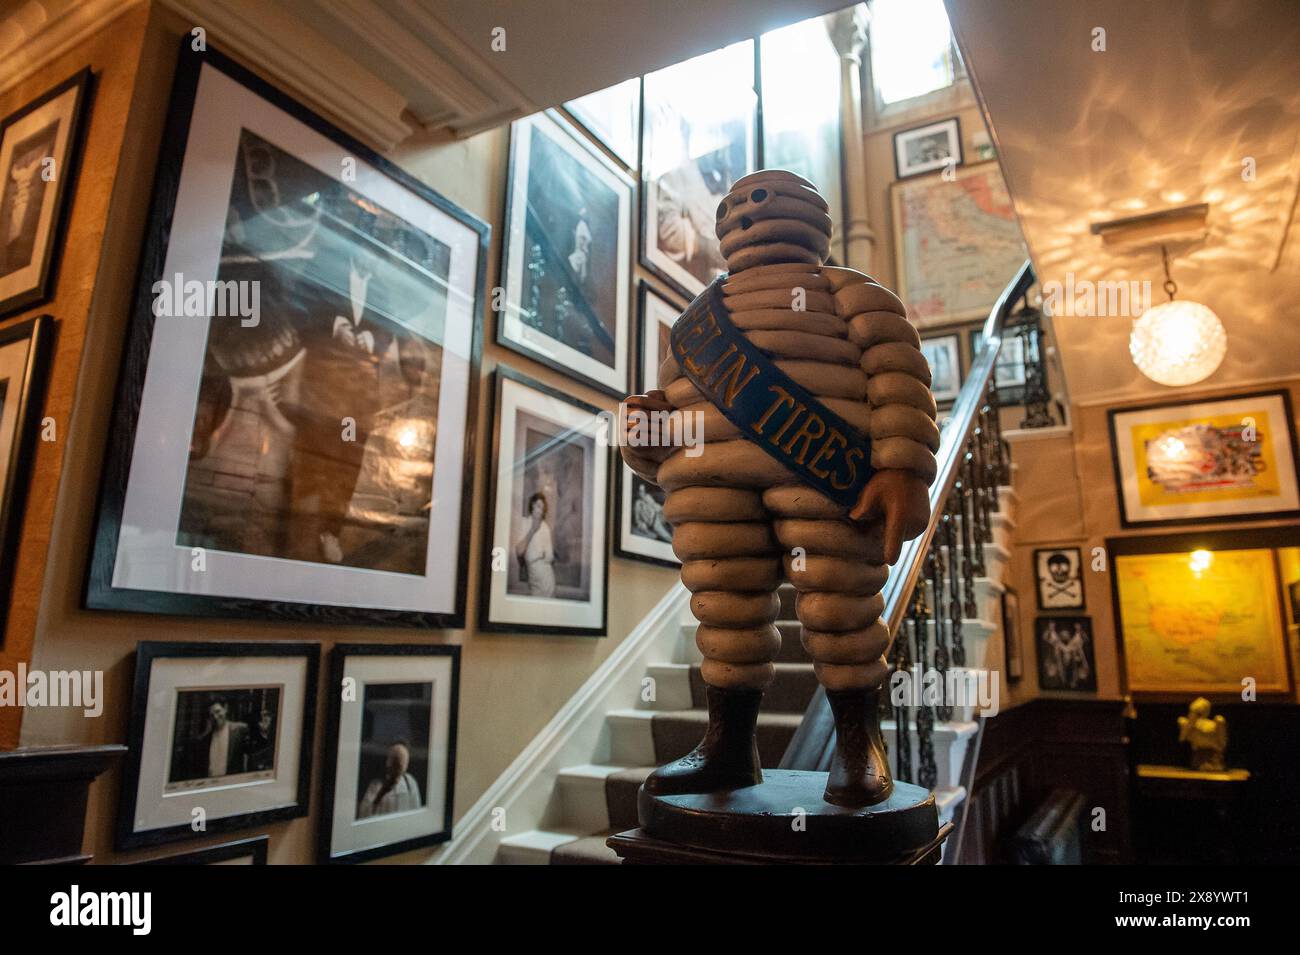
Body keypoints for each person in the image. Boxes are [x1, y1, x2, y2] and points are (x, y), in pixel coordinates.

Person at [178, 700, 250, 781]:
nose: (215, 717)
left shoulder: (240, 730)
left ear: (225, 709)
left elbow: (251, 753)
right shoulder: (205, 740)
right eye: (211, 715)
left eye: (218, 711)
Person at [357, 742, 423, 819]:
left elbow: (416, 812)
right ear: (388, 762)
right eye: (395, 760)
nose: (398, 766)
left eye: (402, 762)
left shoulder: (410, 783)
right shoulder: (376, 785)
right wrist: (381, 793)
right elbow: (364, 814)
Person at [514, 491, 556, 597]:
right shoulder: (524, 523)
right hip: (533, 576)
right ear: (532, 506)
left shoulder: (545, 527)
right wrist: (532, 530)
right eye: (538, 506)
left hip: (547, 577)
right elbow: (519, 551)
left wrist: (538, 555)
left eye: (542, 508)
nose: (540, 510)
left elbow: (549, 557)